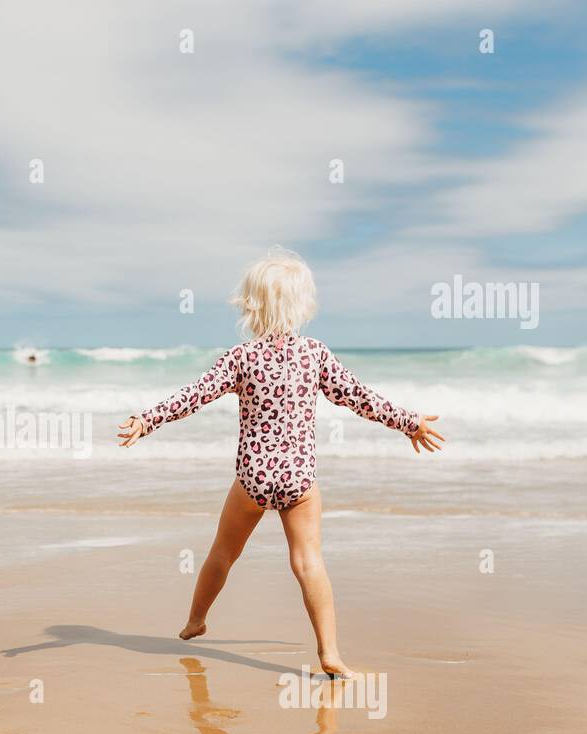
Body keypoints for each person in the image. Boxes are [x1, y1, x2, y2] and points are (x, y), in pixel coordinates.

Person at [117, 247, 444, 678]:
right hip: (299, 480)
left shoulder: (241, 357)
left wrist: (147, 420)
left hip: (252, 477)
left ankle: (196, 620)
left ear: (250, 306)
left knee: (223, 553)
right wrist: (409, 422)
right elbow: (360, 398)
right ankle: (329, 653)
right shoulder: (315, 354)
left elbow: (193, 395)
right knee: (309, 562)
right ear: (302, 305)